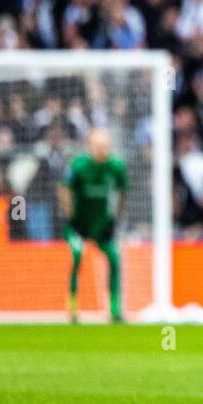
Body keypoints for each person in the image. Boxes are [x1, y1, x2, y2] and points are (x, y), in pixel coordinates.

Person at [59, 128, 129, 324]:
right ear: (89, 146)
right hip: (78, 225)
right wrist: (71, 216)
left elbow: (123, 192)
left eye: (106, 146)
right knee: (77, 255)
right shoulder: (78, 166)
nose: (103, 150)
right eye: (99, 146)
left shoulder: (116, 167)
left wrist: (115, 219)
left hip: (101, 226)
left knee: (114, 258)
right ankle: (72, 306)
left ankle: (114, 308)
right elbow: (64, 188)